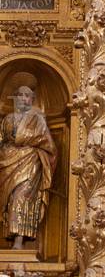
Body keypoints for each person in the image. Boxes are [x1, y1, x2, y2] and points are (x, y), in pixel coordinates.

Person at [0, 80, 57, 243]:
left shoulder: (37, 118)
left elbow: (47, 142)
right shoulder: (8, 119)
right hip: (8, 161)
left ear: (31, 99)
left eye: (27, 95)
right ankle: (11, 238)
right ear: (15, 98)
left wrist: (24, 139)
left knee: (22, 197)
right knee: (10, 199)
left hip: (30, 162)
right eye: (20, 95)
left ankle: (19, 240)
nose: (23, 99)